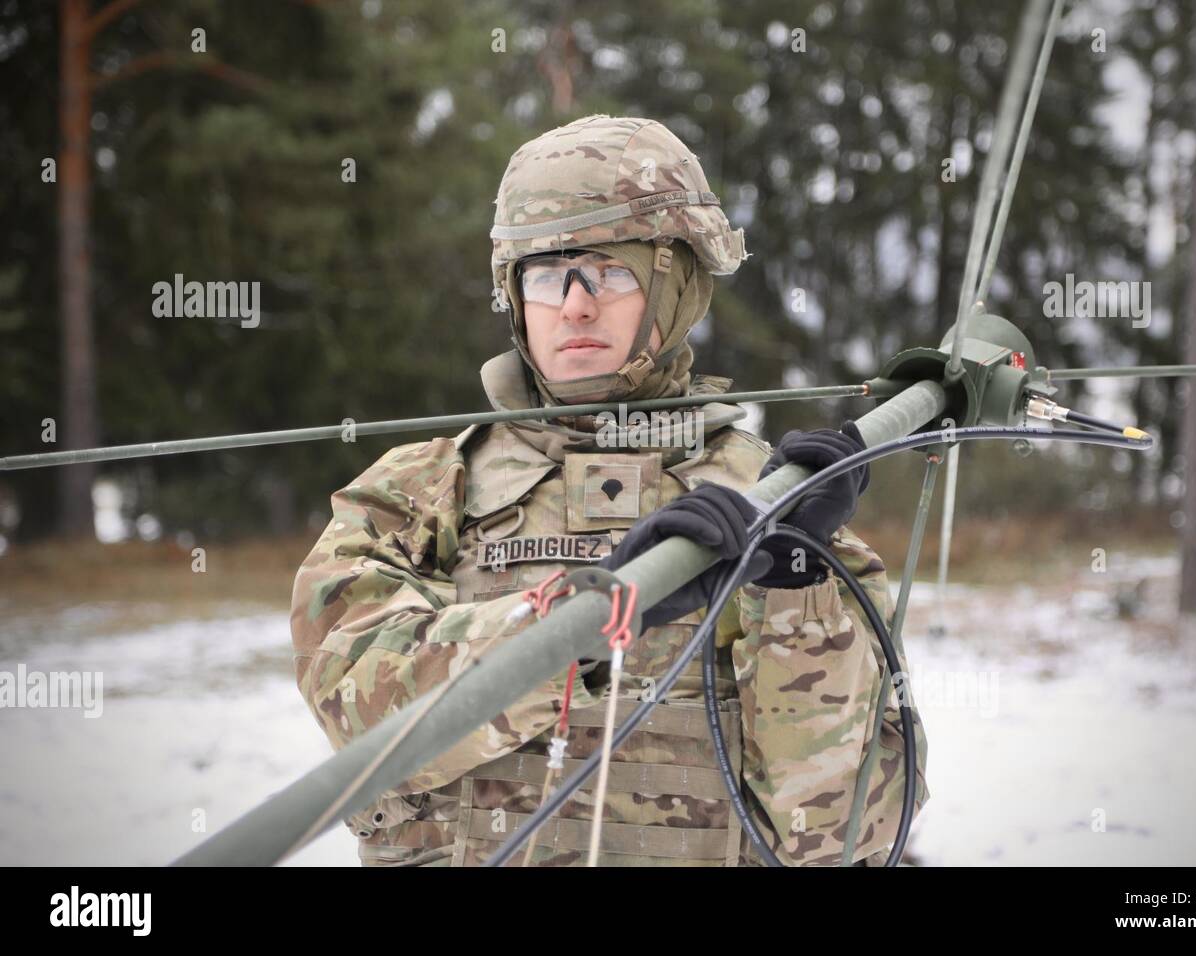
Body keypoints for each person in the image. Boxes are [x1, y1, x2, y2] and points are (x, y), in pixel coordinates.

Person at [289, 114, 929, 866]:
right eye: (547, 276)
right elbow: (358, 716)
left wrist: (796, 587)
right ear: (514, 294)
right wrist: (583, 622)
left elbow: (841, 836)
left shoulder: (769, 498)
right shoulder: (420, 491)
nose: (576, 305)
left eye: (612, 273)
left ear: (677, 286)